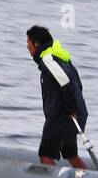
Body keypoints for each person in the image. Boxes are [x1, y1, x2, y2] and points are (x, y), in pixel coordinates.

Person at [26, 25, 89, 168]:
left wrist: (70, 110)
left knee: (45, 156)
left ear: (36, 44)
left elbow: (66, 84)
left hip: (62, 117)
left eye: (28, 43)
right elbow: (78, 85)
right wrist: (74, 110)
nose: (27, 47)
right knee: (71, 155)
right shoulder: (61, 57)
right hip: (72, 116)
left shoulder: (48, 60)